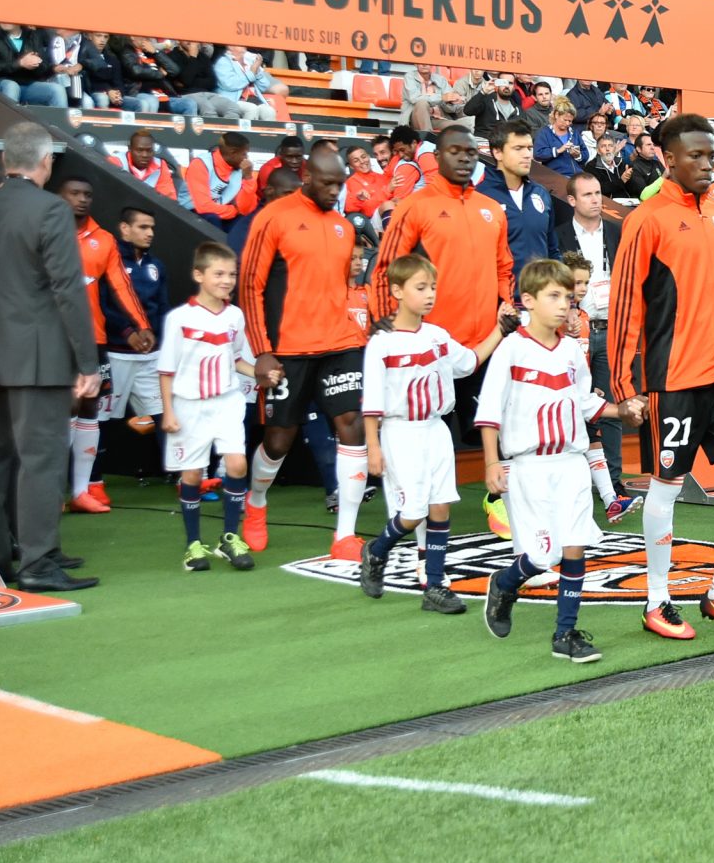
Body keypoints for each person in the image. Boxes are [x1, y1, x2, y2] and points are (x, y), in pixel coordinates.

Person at [610, 114, 714, 640]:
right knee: (667, 486)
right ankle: (657, 600)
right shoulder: (647, 219)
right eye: (696, 156)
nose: (708, 165)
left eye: (711, 155)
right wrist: (623, 386)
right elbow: (625, 304)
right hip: (675, 376)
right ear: (668, 159)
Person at [479, 259, 640, 661]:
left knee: (574, 547)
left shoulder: (571, 351)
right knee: (541, 556)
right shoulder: (511, 349)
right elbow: (489, 410)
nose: (563, 305)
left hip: (571, 462)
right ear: (528, 300)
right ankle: (504, 582)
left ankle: (565, 634)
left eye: (567, 297)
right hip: (529, 465)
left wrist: (621, 410)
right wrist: (490, 463)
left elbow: (584, 401)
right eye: (553, 296)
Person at [0, 123, 102, 592]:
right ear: (45, 162)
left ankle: (2, 554)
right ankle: (37, 562)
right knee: (41, 461)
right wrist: (88, 364)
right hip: (40, 357)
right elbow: (68, 291)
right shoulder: (51, 210)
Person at [240, 148, 371, 557]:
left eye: (340, 185)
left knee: (352, 426)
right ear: (307, 177)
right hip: (289, 349)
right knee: (279, 441)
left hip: (341, 343)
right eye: (328, 183)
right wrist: (262, 351)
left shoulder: (342, 226)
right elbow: (250, 286)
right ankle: (256, 502)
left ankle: (344, 535)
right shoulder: (273, 218)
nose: (335, 192)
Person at [357, 255, 504, 614]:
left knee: (440, 506)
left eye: (433, 287)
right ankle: (376, 552)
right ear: (396, 290)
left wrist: (500, 330)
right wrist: (373, 446)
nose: (429, 295)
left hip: (436, 429)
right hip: (400, 431)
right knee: (413, 511)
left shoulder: (437, 336)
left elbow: (468, 361)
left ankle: (435, 584)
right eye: (420, 287)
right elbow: (372, 400)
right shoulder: (383, 343)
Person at [369, 127, 514, 448]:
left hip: (485, 343)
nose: (464, 158)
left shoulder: (490, 209)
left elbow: (504, 266)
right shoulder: (414, 206)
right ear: (436, 157)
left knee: (495, 431)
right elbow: (385, 267)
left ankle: (495, 497)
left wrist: (506, 306)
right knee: (428, 433)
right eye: (455, 151)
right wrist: (383, 317)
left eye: (471, 153)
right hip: (434, 343)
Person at [159, 241, 263, 572]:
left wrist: (262, 372)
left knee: (237, 466)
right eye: (218, 274)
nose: (226, 280)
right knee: (191, 474)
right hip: (189, 405)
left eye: (231, 274)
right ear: (198, 275)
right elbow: (166, 370)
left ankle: (229, 538)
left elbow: (236, 359)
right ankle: (193, 545)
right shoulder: (180, 318)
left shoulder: (235, 315)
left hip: (227, 402)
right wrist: (169, 412)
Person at [61, 174, 154, 514]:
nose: (81, 199)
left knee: (90, 410)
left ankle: (81, 491)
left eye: (87, 193)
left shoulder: (104, 239)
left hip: (93, 338)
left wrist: (141, 324)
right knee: (60, 413)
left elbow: (119, 286)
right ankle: (53, 492)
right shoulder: (49, 229)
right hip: (54, 338)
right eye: (74, 192)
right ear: (61, 195)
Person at [556, 171, 637, 521]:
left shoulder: (618, 232)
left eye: (599, 193)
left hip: (613, 329)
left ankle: (614, 486)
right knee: (575, 406)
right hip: (573, 332)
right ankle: (573, 484)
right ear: (571, 200)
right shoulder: (558, 235)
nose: (595, 199)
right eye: (587, 194)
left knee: (610, 405)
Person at [98, 205, 171, 469]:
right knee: (99, 418)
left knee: (165, 413)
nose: (149, 233)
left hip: (150, 355)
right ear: (125, 229)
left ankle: (178, 476)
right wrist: (127, 332)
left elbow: (163, 308)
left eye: (152, 228)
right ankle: (92, 481)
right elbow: (102, 304)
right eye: (143, 227)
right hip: (116, 353)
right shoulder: (109, 260)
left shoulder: (156, 266)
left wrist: (155, 337)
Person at [479, 119, 555, 284]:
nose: (527, 154)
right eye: (518, 148)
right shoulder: (479, 198)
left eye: (529, 148)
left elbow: (552, 250)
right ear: (497, 152)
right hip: (500, 304)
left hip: (540, 302)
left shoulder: (541, 194)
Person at [184, 130, 260, 227]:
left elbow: (247, 209)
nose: (247, 158)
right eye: (244, 154)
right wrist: (234, 211)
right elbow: (203, 207)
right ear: (233, 153)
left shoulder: (241, 169)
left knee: (245, 222)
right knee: (212, 218)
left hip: (222, 212)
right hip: (190, 212)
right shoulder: (201, 164)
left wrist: (248, 178)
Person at [113, 129, 193, 209]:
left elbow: (168, 201)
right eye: (140, 150)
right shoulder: (116, 162)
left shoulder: (160, 165)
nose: (145, 155)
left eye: (149, 150)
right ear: (130, 149)